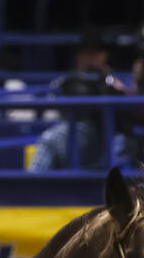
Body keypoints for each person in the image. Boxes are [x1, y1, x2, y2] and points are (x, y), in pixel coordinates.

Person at [26, 32, 128, 171]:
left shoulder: (113, 81)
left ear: (104, 55)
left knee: (50, 141)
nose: (89, 58)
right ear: (78, 55)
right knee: (49, 141)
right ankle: (32, 188)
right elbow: (42, 99)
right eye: (85, 53)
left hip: (107, 136)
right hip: (74, 133)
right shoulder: (67, 81)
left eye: (94, 53)